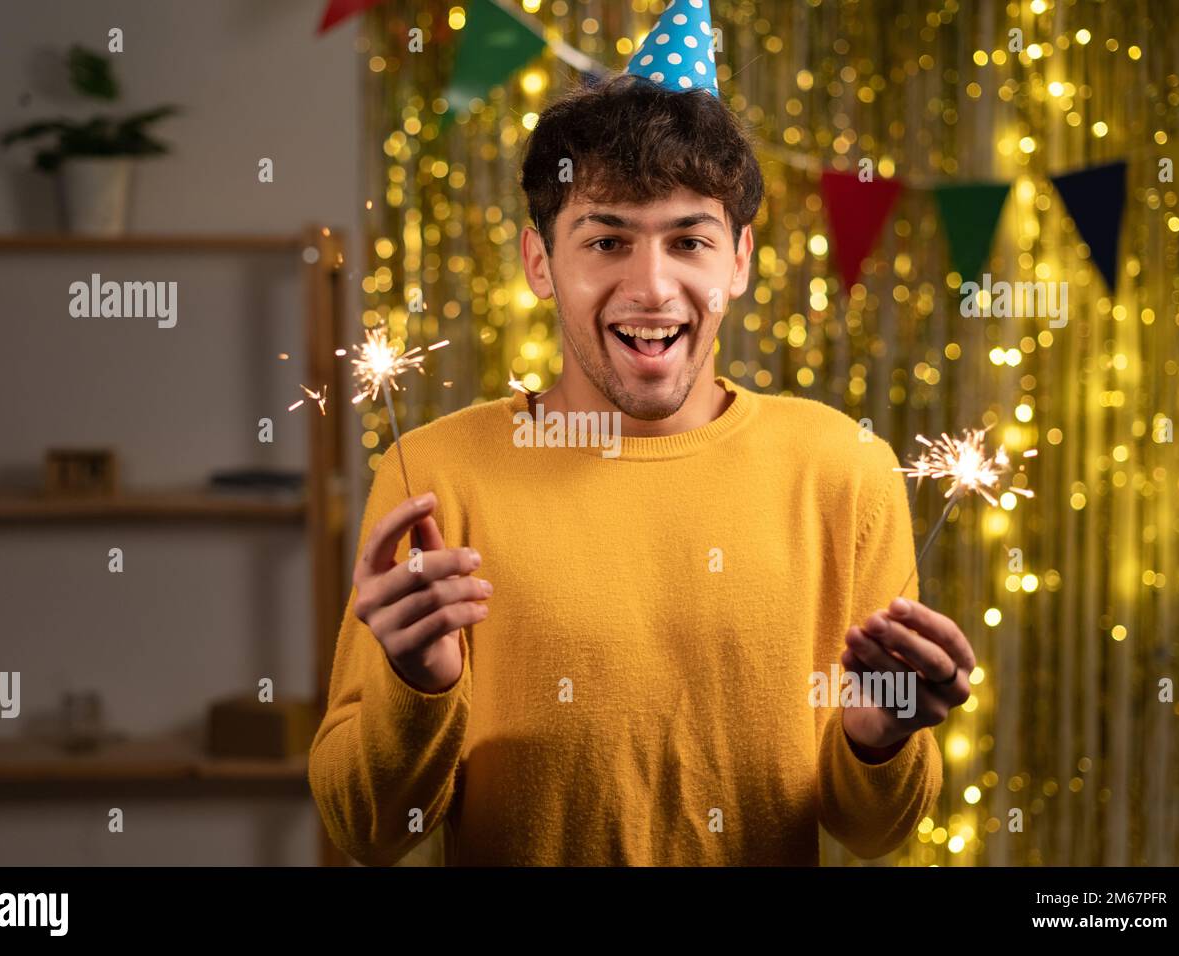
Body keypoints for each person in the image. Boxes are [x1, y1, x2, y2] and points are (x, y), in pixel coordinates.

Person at [309, 0, 974, 866]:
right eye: (607, 239)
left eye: (689, 240)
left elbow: (876, 831)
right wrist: (415, 687)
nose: (652, 286)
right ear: (540, 262)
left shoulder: (844, 471)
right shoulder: (432, 473)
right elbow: (364, 832)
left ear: (738, 260)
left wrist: (878, 738)